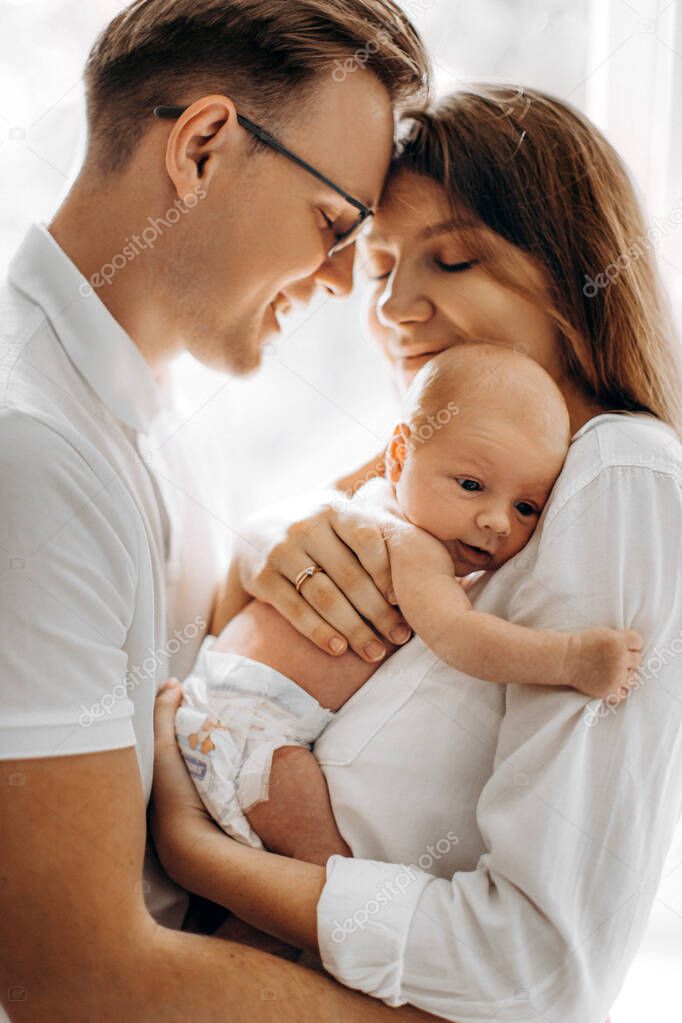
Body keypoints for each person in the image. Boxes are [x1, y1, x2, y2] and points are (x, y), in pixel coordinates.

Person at [151, 86, 682, 1023]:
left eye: (454, 258)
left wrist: (208, 860)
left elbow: (538, 967)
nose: (393, 303)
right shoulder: (442, 487)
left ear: (575, 271)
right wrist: (268, 543)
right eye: (382, 264)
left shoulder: (619, 471)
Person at [0, 2, 436, 1019]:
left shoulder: (155, 415)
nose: (344, 285)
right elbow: (70, 975)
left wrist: (262, 560)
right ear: (200, 148)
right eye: (336, 226)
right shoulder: (34, 450)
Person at [174, 341, 643, 856]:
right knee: (324, 866)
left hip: (218, 703)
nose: (497, 520)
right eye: (471, 484)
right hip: (251, 730)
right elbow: (462, 639)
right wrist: (571, 659)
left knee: (257, 881)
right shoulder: (411, 547)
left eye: (527, 507)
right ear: (399, 457)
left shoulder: (370, 515)